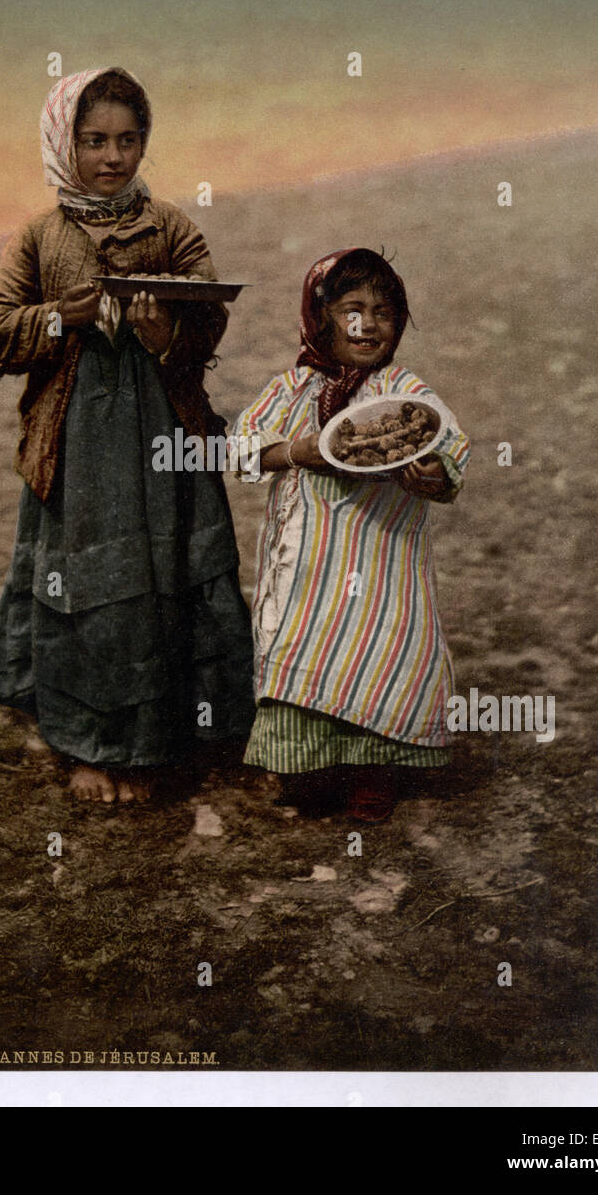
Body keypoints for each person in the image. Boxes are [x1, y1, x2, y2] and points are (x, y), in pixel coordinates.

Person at [0, 66, 253, 804]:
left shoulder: (168, 226)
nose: (112, 157)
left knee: (166, 576)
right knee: (88, 585)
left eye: (128, 141)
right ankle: (87, 746)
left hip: (163, 438)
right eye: (94, 140)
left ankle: (171, 738)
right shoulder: (38, 237)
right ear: (64, 144)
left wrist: (168, 331)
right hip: (76, 447)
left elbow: (210, 311)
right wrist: (57, 318)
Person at [233, 247, 471, 822]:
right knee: (304, 650)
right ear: (320, 318)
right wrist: (300, 450)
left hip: (384, 555)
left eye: (386, 312)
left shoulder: (405, 391)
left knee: (382, 652)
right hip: (308, 563)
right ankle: (307, 767)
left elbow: (452, 446)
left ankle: (373, 770)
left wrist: (432, 473)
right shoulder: (293, 387)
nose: (369, 324)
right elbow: (241, 445)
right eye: (351, 310)